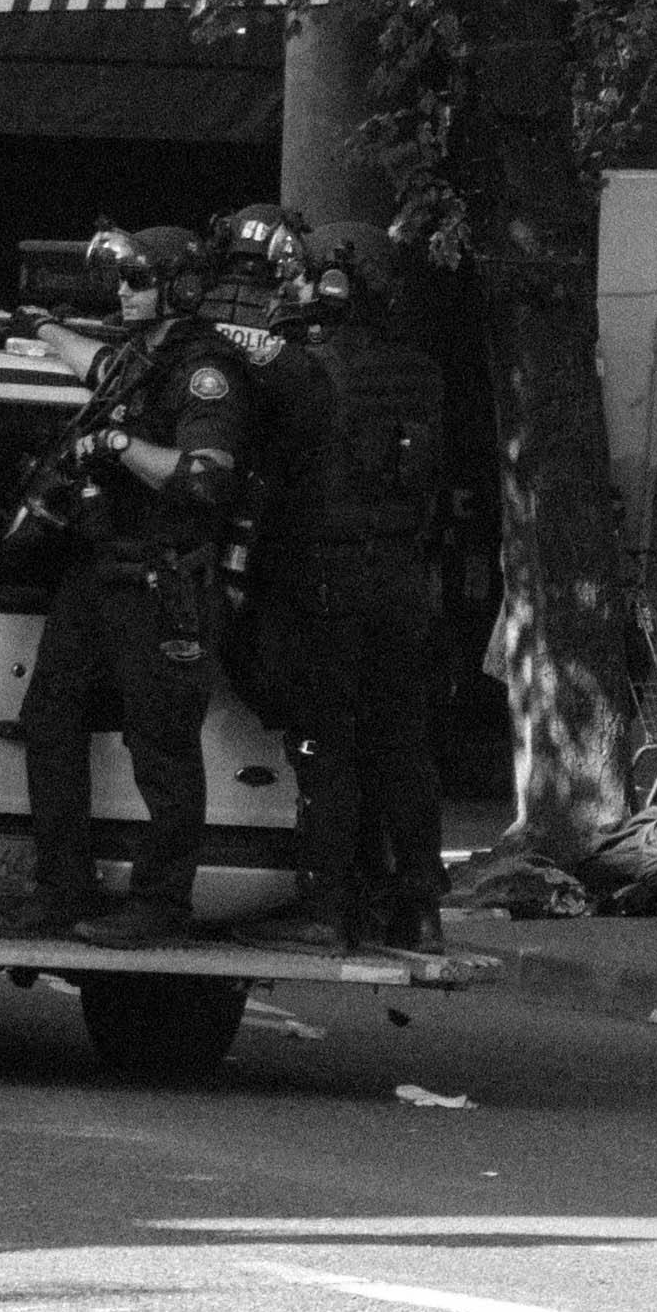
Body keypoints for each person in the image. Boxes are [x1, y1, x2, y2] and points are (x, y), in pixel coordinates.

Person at [23, 225, 259, 943]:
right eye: (119, 281)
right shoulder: (138, 359)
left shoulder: (205, 372)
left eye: (136, 281)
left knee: (161, 748)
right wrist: (37, 326)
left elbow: (205, 477)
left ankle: (160, 902)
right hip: (100, 574)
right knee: (49, 719)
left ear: (182, 288)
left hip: (164, 583)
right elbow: (93, 362)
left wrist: (119, 446)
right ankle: (64, 888)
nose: (122, 293)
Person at [230, 216, 455, 949]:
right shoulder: (422, 371)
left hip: (326, 579)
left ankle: (328, 908)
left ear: (333, 281)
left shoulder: (303, 367)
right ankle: (417, 906)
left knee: (328, 743)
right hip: (402, 581)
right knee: (401, 744)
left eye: (304, 274)